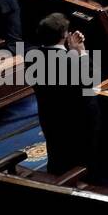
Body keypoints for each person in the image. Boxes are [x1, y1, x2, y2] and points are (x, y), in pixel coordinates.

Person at [30, 14, 99, 176]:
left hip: (50, 117)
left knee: (57, 150)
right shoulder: (70, 62)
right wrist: (81, 51)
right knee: (83, 155)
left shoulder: (33, 58)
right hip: (77, 119)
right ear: (64, 36)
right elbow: (90, 82)